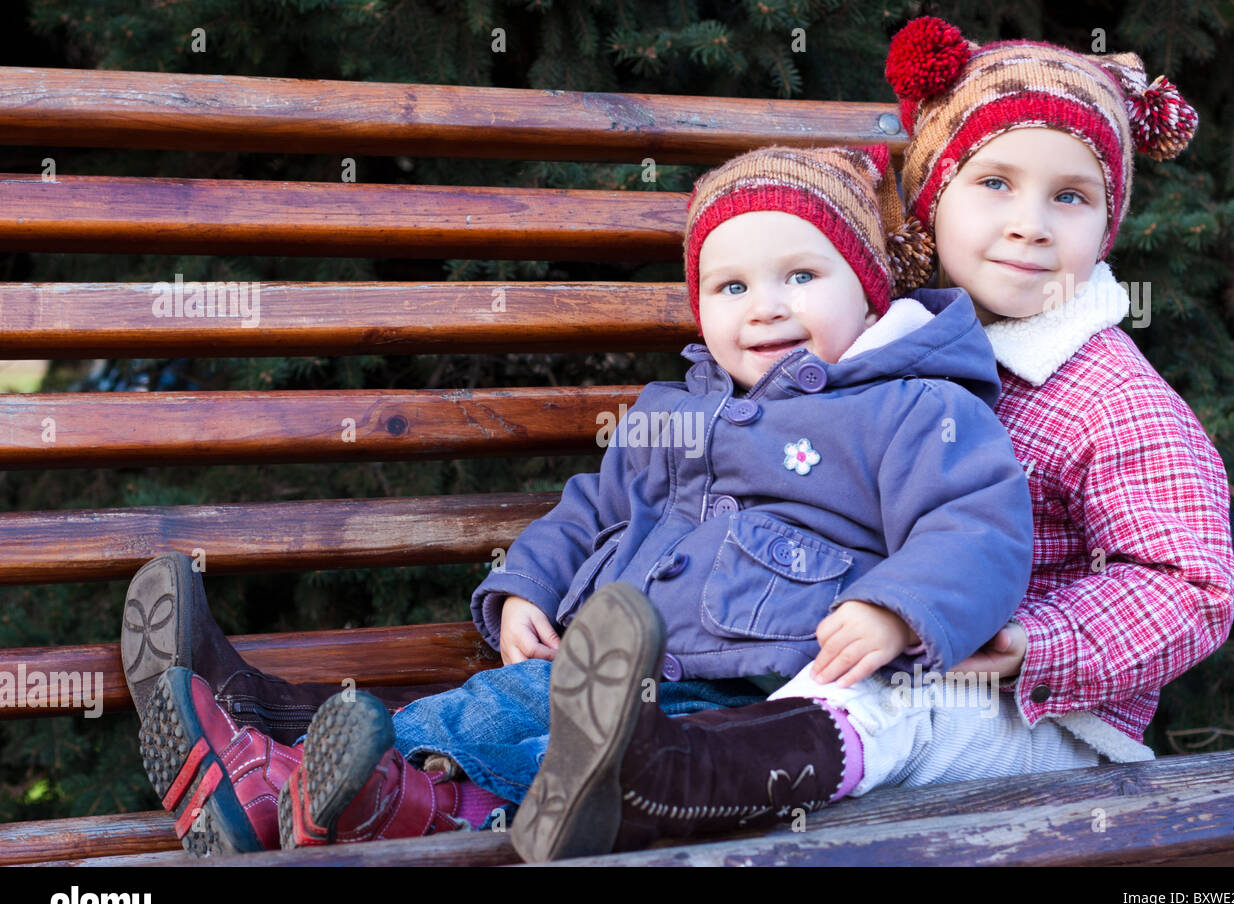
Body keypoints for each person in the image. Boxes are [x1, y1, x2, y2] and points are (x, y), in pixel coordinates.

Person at [133, 141, 1047, 856]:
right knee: (495, 708)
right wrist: (526, 587)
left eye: (800, 277)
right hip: (600, 663)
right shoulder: (672, 410)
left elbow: (979, 528)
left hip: (749, 687)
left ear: (870, 288)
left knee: (554, 751)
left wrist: (896, 611)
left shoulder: (911, 406)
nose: (762, 307)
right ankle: (291, 781)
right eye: (731, 287)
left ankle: (313, 787)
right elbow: (588, 507)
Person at [507, 16, 1234, 861]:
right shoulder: (864, 341)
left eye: (1071, 196)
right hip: (853, 647)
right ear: (930, 193)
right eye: (993, 181)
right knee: (829, 682)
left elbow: (1189, 584)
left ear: (1108, 224)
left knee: (896, 701)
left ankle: (676, 785)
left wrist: (1034, 643)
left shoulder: (1111, 394)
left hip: (1037, 708)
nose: (1031, 224)